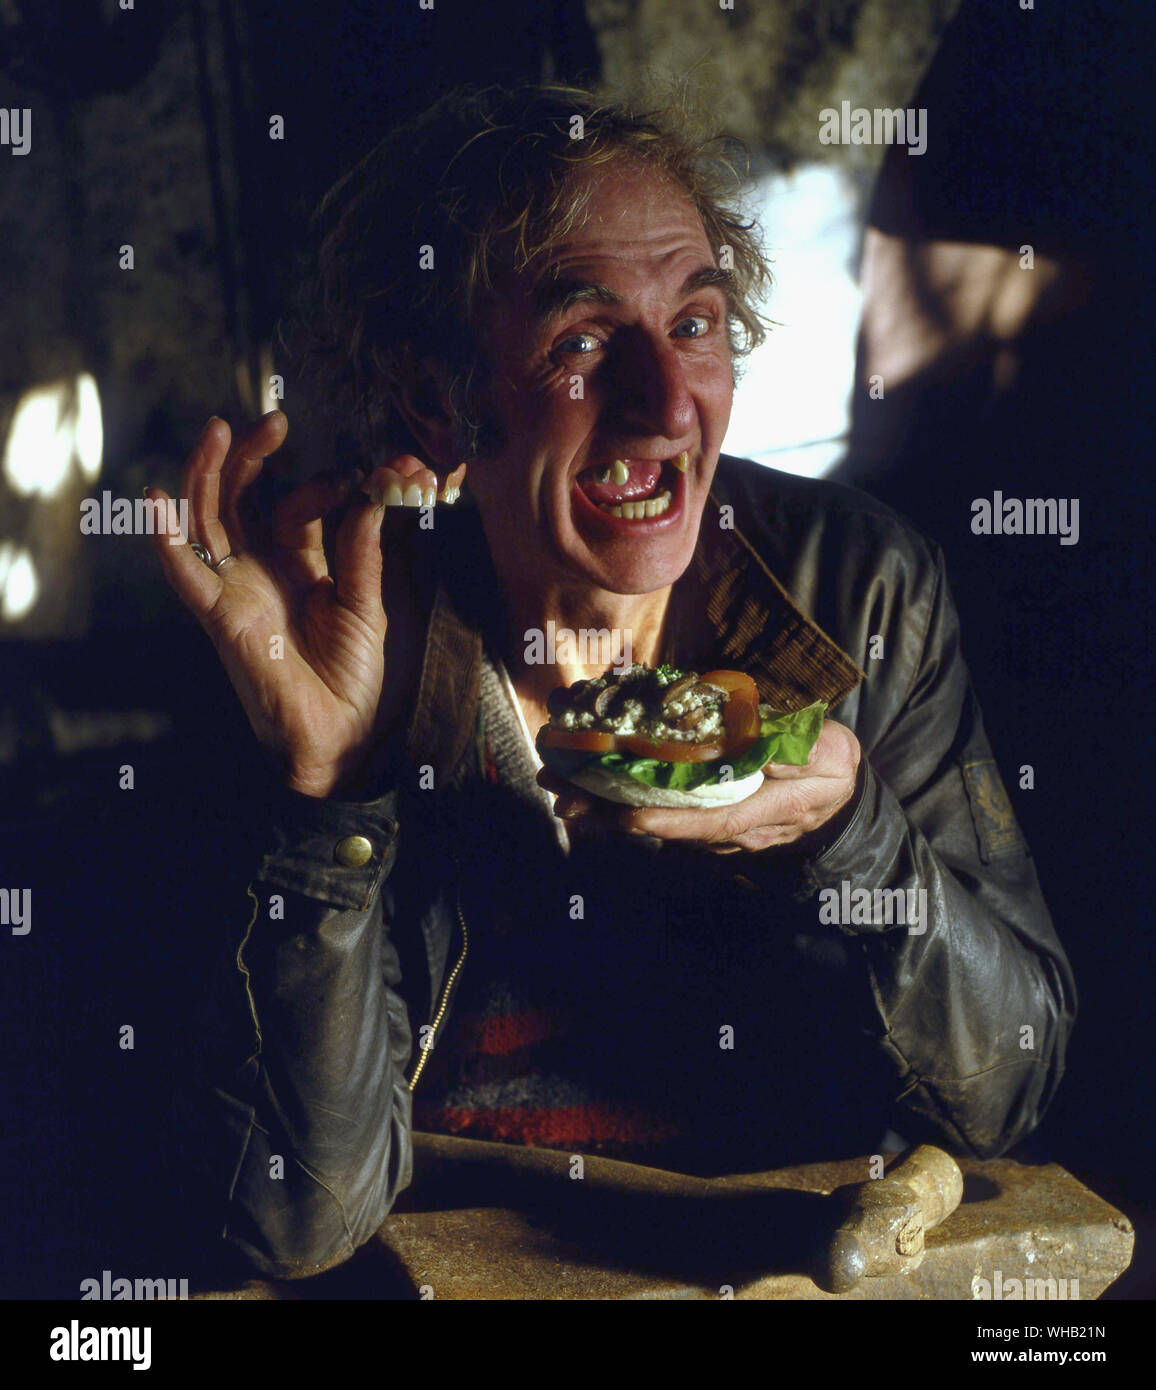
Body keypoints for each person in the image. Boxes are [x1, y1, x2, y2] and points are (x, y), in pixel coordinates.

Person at [147, 83, 1075, 1280]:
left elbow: (1012, 1086)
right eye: (581, 343)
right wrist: (327, 799)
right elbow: (294, 1221)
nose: (665, 403)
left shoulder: (857, 587)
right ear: (440, 396)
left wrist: (849, 838)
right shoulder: (342, 633)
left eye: (694, 323)